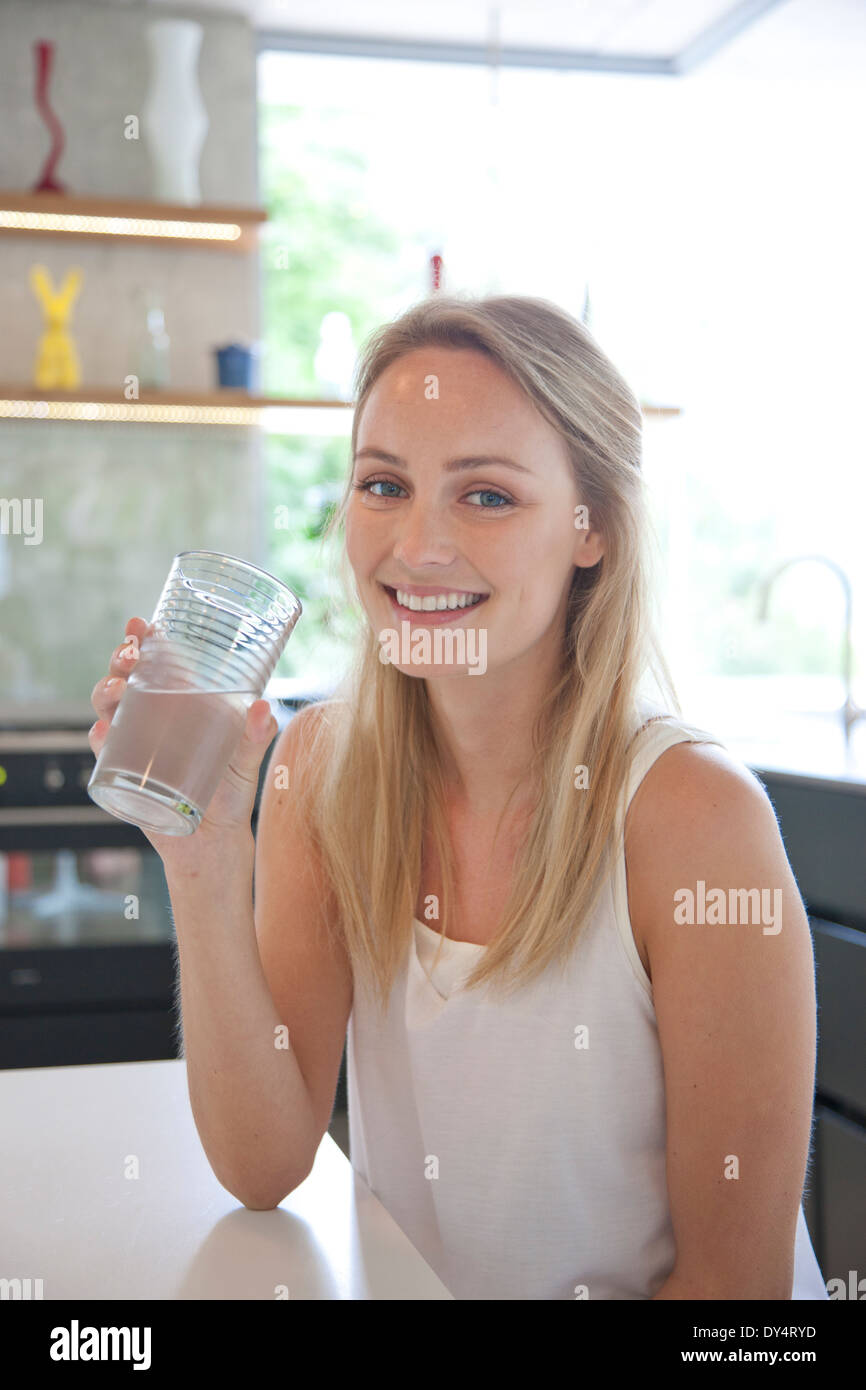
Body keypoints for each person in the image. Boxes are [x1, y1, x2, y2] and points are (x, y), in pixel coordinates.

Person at [90, 293, 828, 1301]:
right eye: (383, 484)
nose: (418, 545)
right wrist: (204, 853)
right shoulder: (319, 770)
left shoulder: (691, 819)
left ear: (592, 529)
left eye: (484, 496)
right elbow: (262, 1164)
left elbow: (736, 1298)